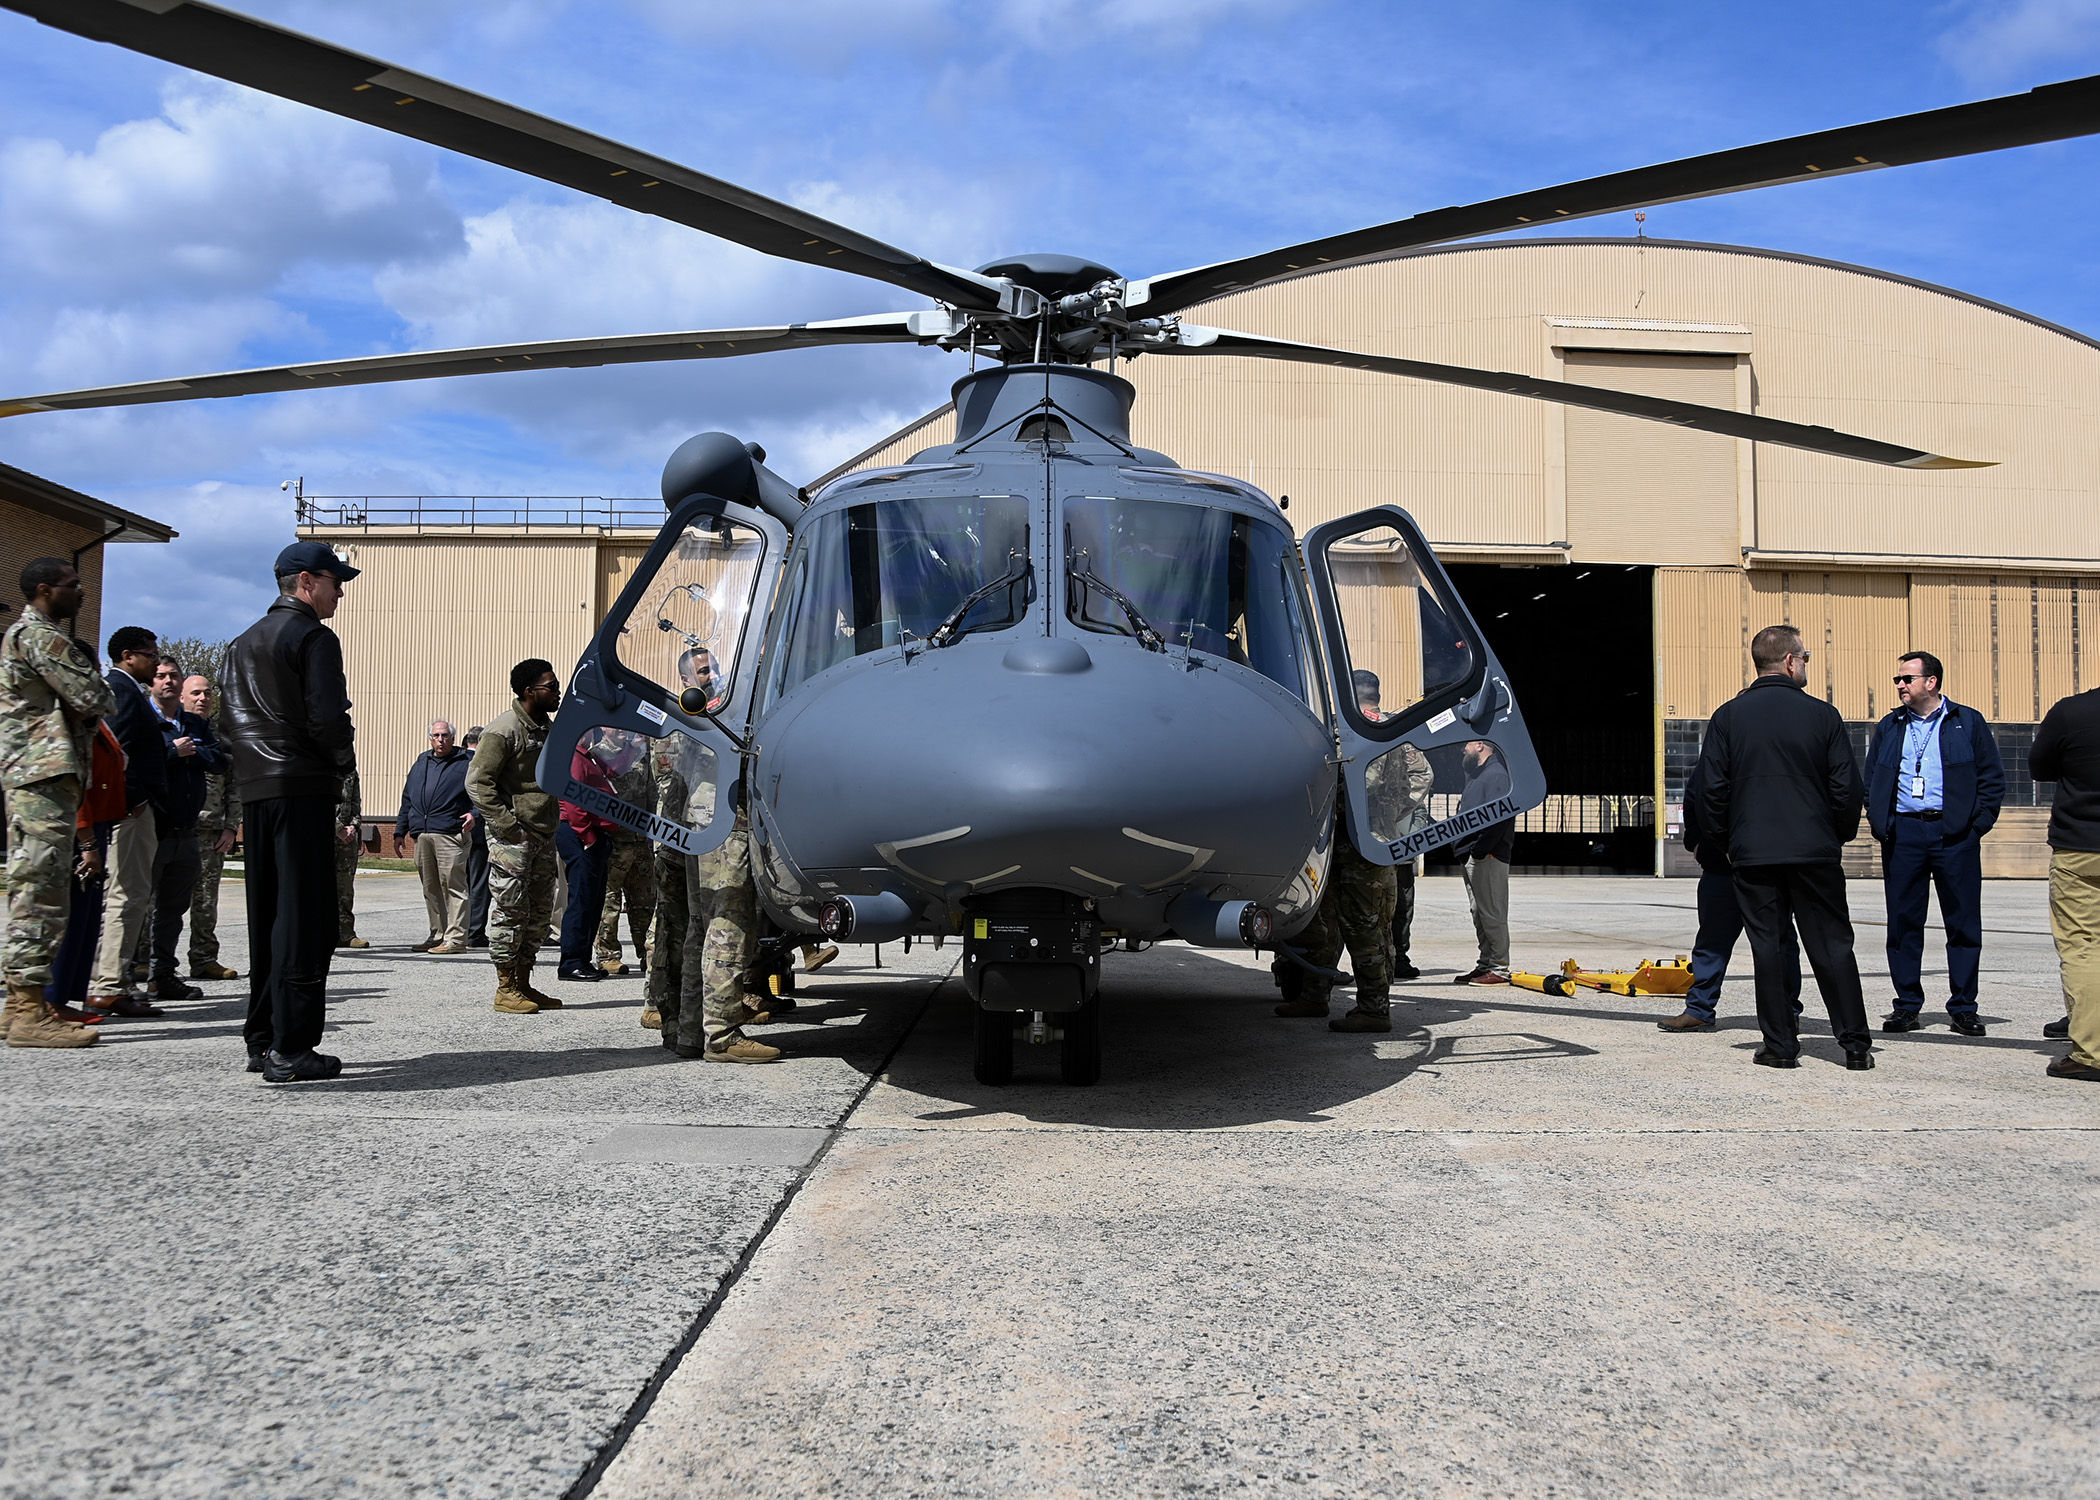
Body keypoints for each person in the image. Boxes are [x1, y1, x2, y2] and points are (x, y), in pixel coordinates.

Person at [1691, 623, 1874, 1072]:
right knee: (1832, 946)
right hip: (1813, 850)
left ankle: (1780, 1046)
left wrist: (1727, 842)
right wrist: (1835, 835)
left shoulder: (1728, 717)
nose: (1806, 664)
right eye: (1806, 657)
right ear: (1790, 661)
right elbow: (1847, 788)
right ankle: (1854, 1046)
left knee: (1768, 948)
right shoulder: (1823, 715)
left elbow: (1710, 790)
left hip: (1753, 853)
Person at [225, 541, 360, 1083]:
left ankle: (262, 1038)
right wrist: (342, 762)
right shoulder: (313, 637)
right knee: (306, 919)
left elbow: (228, 723)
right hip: (301, 786)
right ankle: (294, 1046)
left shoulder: (239, 644)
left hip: (256, 790)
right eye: (334, 581)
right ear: (307, 582)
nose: (340, 592)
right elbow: (327, 718)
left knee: (267, 916)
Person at [1, 559, 114, 1048]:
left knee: (32, 887)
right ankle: (30, 1012)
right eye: (73, 586)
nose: (82, 592)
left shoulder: (25, 635)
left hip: (37, 775)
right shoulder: (41, 636)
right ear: (45, 590)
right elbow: (94, 696)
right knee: (42, 892)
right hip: (43, 775)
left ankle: (17, 1006)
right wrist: (91, 689)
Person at [1864, 650, 2004, 1038]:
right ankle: (1907, 1006)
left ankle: (1964, 1007)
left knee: (1962, 924)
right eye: (1898, 679)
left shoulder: (1967, 722)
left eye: (1906, 678)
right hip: (1904, 835)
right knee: (1903, 924)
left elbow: (1992, 779)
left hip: (1954, 835)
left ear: (1931, 682)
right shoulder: (1890, 725)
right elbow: (1871, 779)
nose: (1900, 685)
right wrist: (1880, 821)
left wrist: (1976, 826)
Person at [1659, 756, 1802, 1032]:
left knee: (1779, 942)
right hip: (1720, 869)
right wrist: (1697, 844)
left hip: (1766, 865)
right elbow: (1695, 796)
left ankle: (1786, 1012)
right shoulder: (1718, 752)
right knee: (1711, 943)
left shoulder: (1772, 753)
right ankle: (1699, 1009)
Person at [467, 660, 563, 1014]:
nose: (557, 693)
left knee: (538, 913)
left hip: (543, 833)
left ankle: (523, 982)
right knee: (511, 911)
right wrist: (508, 825)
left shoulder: (547, 729)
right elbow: (478, 782)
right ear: (529, 692)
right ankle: (505, 988)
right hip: (514, 839)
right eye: (551, 687)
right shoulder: (503, 730)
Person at [86, 624, 168, 1017]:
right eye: (151, 655)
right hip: (129, 812)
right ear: (127, 656)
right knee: (127, 896)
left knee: (129, 895)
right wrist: (133, 800)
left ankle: (109, 981)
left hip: (134, 808)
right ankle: (108, 986)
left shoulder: (129, 691)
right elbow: (112, 752)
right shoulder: (120, 689)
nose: (156, 662)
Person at [143, 654, 227, 1004]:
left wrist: (190, 753)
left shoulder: (196, 726)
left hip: (187, 829)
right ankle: (122, 978)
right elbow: (136, 763)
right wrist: (171, 751)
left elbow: (220, 761)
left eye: (173, 675)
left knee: (172, 910)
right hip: (149, 828)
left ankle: (163, 975)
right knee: (136, 906)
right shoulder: (142, 717)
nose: (168, 680)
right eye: (161, 675)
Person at [2029, 683, 2100, 1080]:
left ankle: (2092, 1052)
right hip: (2079, 846)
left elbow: (2040, 768)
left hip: (2081, 847)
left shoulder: (2072, 712)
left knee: (2083, 948)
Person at [395, 719, 474, 954]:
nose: (440, 740)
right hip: (423, 834)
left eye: (445, 735)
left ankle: (456, 939)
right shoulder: (422, 762)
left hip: (450, 833)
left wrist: (475, 814)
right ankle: (437, 934)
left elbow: (484, 790)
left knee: (454, 886)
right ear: (430, 738)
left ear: (453, 738)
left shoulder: (466, 762)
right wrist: (400, 831)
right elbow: (407, 798)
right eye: (436, 736)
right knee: (431, 888)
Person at [183, 675, 241, 981]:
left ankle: (204, 958)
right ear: (182, 697)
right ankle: (147, 961)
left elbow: (234, 786)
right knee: (158, 900)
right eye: (196, 693)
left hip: (211, 832)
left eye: (207, 693)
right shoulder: (170, 729)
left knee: (206, 902)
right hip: (175, 829)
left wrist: (231, 827)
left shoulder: (220, 737)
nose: (203, 698)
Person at [555, 729, 619, 983]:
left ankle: (582, 959)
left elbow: (615, 772)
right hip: (580, 835)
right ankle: (571, 962)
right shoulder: (574, 757)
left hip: (592, 834)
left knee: (592, 900)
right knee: (581, 900)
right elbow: (573, 799)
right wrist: (587, 837)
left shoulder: (587, 757)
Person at [1451, 740, 1515, 986]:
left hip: (1487, 855)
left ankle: (1499, 968)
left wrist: (1480, 850)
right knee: (1479, 913)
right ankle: (1485, 964)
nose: (1462, 749)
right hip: (1473, 854)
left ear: (1480, 746)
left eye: (1466, 744)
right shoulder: (1478, 775)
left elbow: (1499, 817)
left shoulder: (1496, 775)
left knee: (1492, 912)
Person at [594, 730, 657, 976]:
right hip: (613, 841)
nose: (622, 730)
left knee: (644, 901)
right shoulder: (597, 755)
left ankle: (646, 953)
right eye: (615, 726)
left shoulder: (641, 755)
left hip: (640, 841)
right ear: (604, 728)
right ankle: (607, 955)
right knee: (608, 902)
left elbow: (651, 792)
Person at [462, 725, 490, 947]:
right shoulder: (484, 763)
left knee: (459, 883)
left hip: (455, 831)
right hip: (479, 832)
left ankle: (458, 928)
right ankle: (475, 931)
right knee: (479, 884)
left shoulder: (455, 763)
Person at [335, 767, 368, 949]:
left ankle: (345, 934)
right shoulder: (317, 765)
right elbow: (316, 803)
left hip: (347, 839)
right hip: (321, 835)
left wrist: (354, 826)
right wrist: (338, 828)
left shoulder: (349, 771)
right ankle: (319, 934)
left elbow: (355, 801)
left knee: (345, 888)